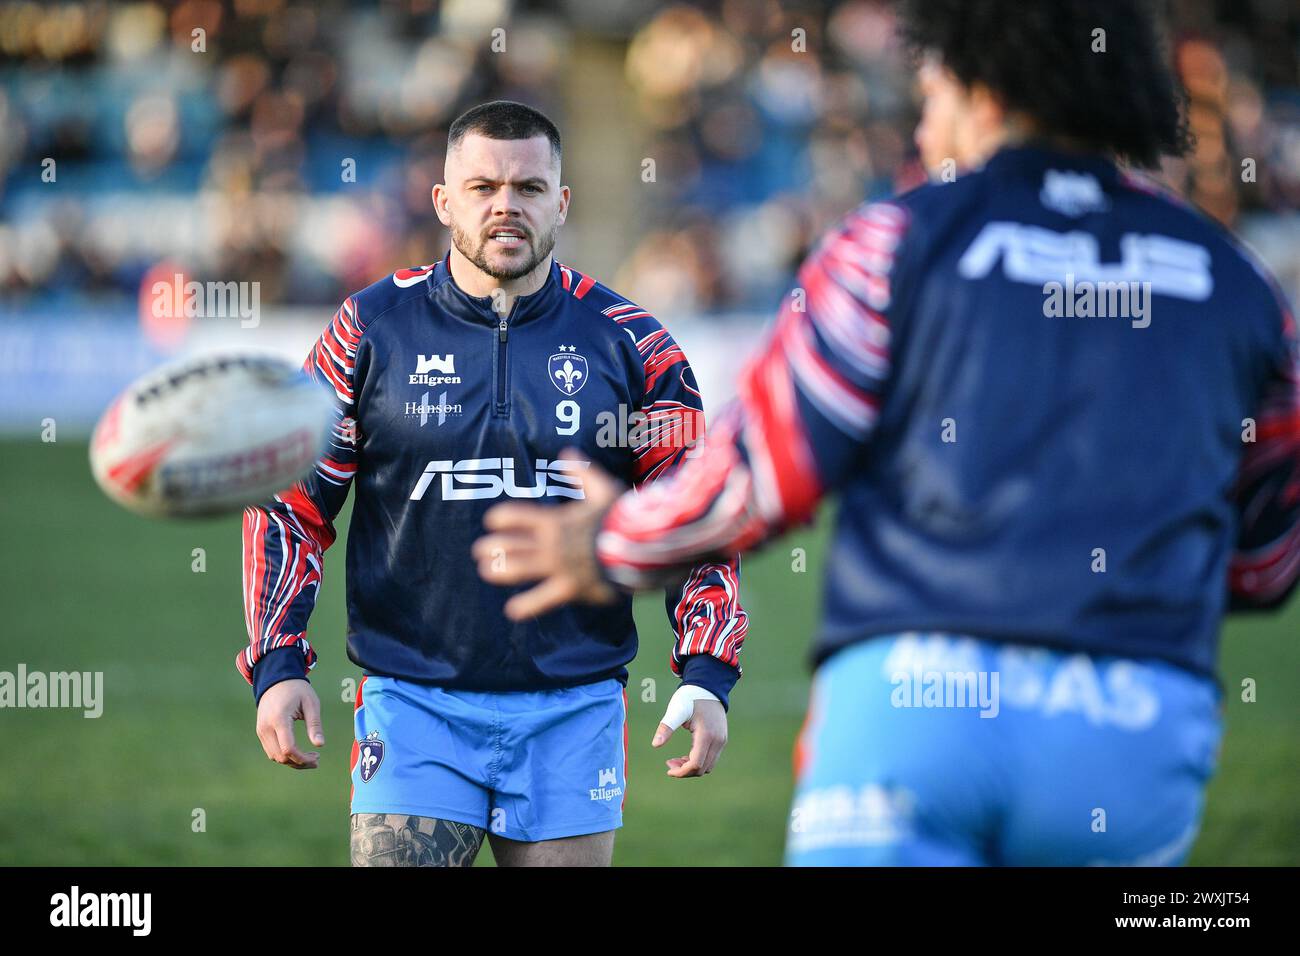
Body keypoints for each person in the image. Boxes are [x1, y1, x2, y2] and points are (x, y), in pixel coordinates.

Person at [473, 1, 1299, 865]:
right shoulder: (1237, 283)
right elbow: (1268, 560)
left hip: (914, 710)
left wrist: (613, 543)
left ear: (983, 92)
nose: (924, 116)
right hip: (1138, 729)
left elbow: (761, 477)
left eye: (933, 88)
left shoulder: (894, 243)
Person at [239, 101, 747, 867]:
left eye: (529, 188)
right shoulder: (368, 330)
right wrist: (278, 662)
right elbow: (291, 506)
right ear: (444, 202)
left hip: (574, 706)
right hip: (412, 701)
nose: (506, 205)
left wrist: (707, 672)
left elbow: (693, 513)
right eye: (482, 187)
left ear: (561, 203)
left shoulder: (634, 343)